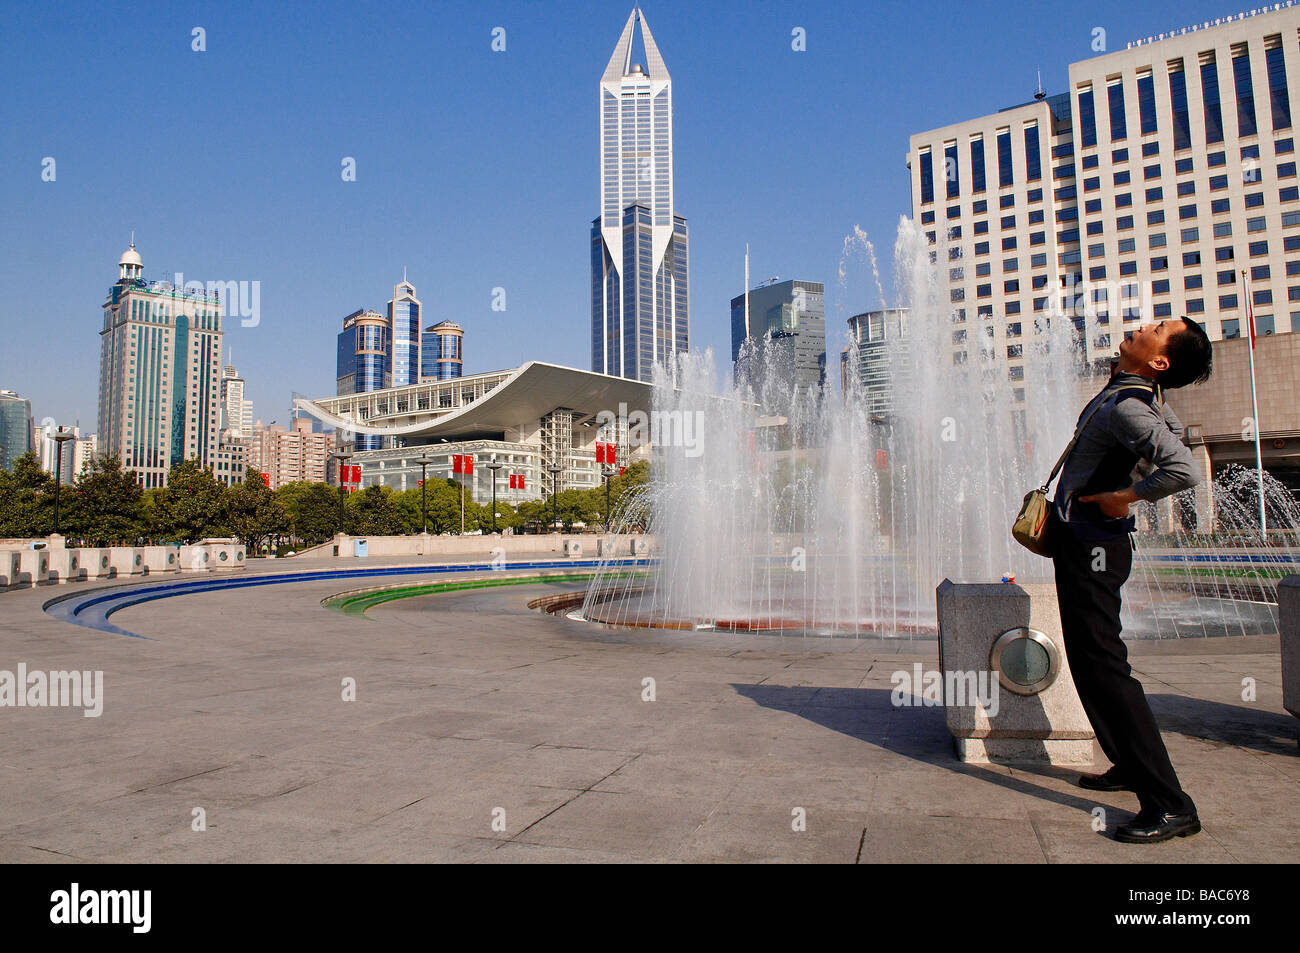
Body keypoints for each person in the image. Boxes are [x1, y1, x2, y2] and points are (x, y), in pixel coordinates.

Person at [1048, 316, 1213, 844]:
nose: (1143, 325)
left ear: (1159, 359)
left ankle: (1170, 804)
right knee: (1090, 662)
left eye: (1157, 328)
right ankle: (1128, 763)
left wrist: (1126, 496)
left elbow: (1184, 469)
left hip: (1095, 546)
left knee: (1105, 669)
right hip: (1084, 542)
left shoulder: (1130, 405)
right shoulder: (1133, 394)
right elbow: (1168, 440)